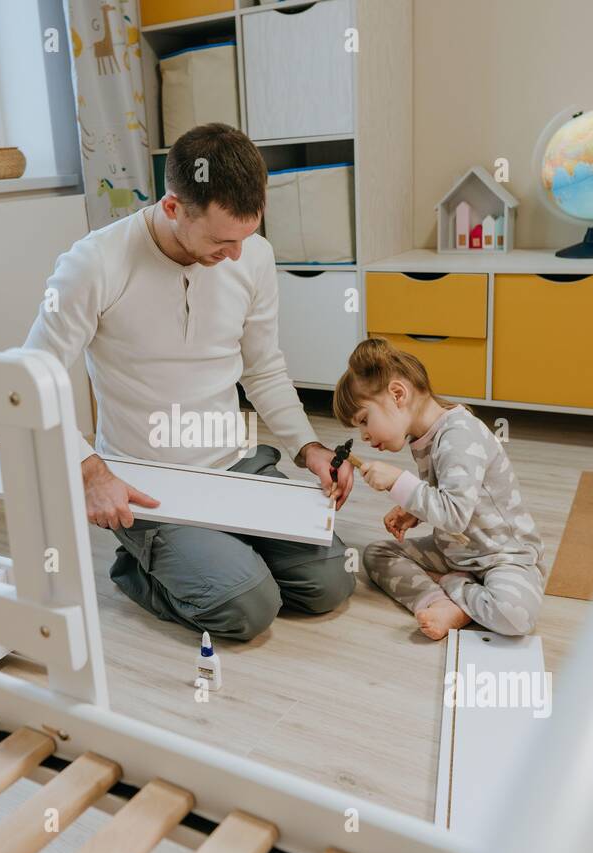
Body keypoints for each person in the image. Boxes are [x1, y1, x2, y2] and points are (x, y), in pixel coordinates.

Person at [24, 123, 354, 641]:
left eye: (247, 236)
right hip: (150, 480)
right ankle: (142, 567)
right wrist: (89, 470)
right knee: (250, 608)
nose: (238, 255)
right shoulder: (95, 264)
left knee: (331, 581)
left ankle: (219, 552)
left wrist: (307, 447)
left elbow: (263, 367)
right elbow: (32, 378)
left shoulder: (253, 256)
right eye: (223, 240)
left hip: (233, 464)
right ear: (173, 207)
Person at [333, 338, 546, 640]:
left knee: (516, 616)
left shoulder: (458, 434)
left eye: (364, 420)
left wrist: (398, 482)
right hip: (456, 550)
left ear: (397, 394)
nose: (364, 436)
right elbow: (448, 491)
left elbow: (455, 514)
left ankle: (452, 589)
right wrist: (413, 511)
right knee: (378, 554)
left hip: (500, 555)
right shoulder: (422, 436)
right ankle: (439, 603)